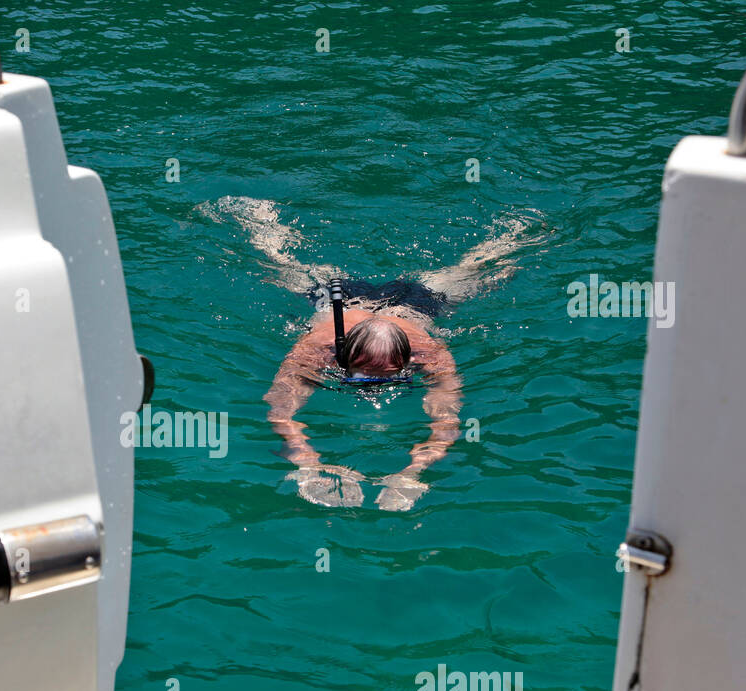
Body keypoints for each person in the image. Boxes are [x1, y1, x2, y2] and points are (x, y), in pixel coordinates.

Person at [203, 197, 533, 510]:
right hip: (341, 298)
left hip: (413, 304)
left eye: (388, 376)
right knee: (281, 266)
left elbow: (448, 419)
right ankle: (261, 222)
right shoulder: (320, 346)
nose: (373, 387)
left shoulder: (428, 352)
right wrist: (309, 464)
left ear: (407, 361)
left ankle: (514, 236)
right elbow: (279, 409)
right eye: (364, 375)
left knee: (474, 276)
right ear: (344, 355)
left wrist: (411, 472)